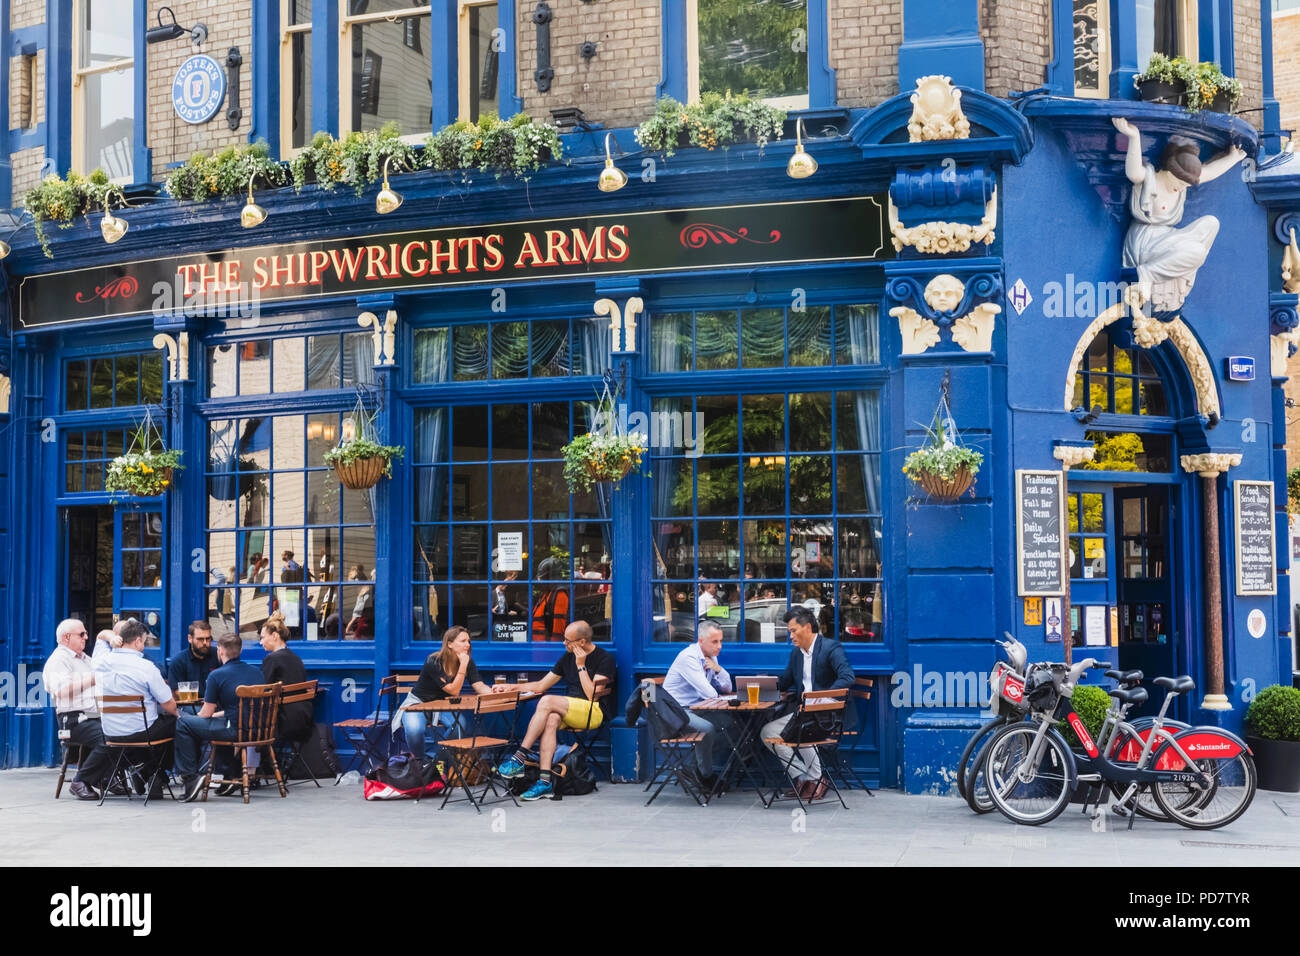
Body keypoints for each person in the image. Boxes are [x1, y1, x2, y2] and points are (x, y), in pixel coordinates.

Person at [1112, 117, 1246, 313]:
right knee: (1197, 252)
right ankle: (1147, 274)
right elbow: (1133, 172)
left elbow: (1208, 172)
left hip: (1167, 237)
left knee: (1211, 223)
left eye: (1186, 185)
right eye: (1180, 183)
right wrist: (1134, 136)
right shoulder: (1151, 178)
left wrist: (1233, 157)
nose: (1181, 189)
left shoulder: (1181, 186)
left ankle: (1179, 271)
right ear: (1169, 172)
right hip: (1145, 239)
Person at [493, 621, 616, 801]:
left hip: (593, 712)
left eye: (567, 640)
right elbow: (541, 684)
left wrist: (581, 665)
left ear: (581, 642)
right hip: (569, 709)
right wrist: (510, 687)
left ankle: (519, 757)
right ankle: (545, 782)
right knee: (550, 718)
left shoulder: (605, 659)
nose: (563, 643)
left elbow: (591, 695)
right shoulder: (567, 657)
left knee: (547, 700)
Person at [759, 606, 855, 801]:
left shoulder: (830, 647)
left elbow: (847, 676)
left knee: (800, 726)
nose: (790, 636)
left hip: (828, 712)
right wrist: (762, 685)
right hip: (803, 712)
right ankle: (804, 776)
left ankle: (817, 778)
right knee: (767, 732)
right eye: (789, 632)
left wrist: (820, 698)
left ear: (808, 627)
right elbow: (785, 681)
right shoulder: (796, 654)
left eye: (793, 631)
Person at [92, 618, 180, 798]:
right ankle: (158, 774)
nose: (145, 645)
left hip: (110, 732)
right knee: (177, 725)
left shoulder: (100, 661)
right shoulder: (146, 667)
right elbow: (168, 703)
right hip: (142, 731)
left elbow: (100, 637)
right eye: (145, 641)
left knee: (144, 729)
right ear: (138, 641)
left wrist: (111, 638)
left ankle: (145, 772)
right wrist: (180, 715)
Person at [177, 632, 267, 802]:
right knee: (219, 724)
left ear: (220, 651)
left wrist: (193, 717)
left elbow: (206, 714)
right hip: (259, 731)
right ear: (240, 651)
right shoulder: (257, 673)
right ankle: (231, 775)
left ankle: (190, 778)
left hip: (235, 731)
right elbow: (239, 708)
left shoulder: (217, 675)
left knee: (182, 723)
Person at [394, 626, 494, 759]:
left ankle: (437, 762)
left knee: (459, 726)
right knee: (415, 730)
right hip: (418, 704)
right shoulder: (434, 661)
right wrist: (463, 665)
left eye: (469, 641)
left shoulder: (467, 661)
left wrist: (494, 693)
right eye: (463, 641)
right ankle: (420, 762)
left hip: (443, 706)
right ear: (450, 644)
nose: (467, 645)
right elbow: (453, 691)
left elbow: (479, 685)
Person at [42, 619, 111, 799]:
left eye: (86, 634)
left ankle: (102, 776)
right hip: (71, 719)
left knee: (123, 731)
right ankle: (81, 781)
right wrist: (92, 679)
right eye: (82, 634)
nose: (86, 637)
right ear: (66, 637)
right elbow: (62, 691)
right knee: (109, 738)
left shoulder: (84, 659)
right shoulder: (58, 660)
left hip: (93, 715)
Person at [662, 620, 731, 792]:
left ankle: (695, 768)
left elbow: (728, 688)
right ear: (701, 641)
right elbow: (710, 693)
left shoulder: (710, 657)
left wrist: (719, 669)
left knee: (731, 724)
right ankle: (705, 775)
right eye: (715, 642)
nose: (719, 646)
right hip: (675, 712)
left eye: (721, 641)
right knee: (707, 728)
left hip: (695, 709)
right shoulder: (689, 658)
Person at [259, 612, 314, 744]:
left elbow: (263, 692)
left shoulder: (272, 659)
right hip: (304, 720)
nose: (260, 642)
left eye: (262, 637)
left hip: (281, 723)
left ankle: (250, 765)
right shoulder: (297, 659)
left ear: (275, 636)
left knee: (244, 721)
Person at [166, 621, 221, 697]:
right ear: (190, 638)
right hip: (191, 704)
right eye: (200, 639)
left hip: (216, 704)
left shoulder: (219, 655)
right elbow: (176, 691)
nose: (205, 643)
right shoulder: (179, 661)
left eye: (208, 639)